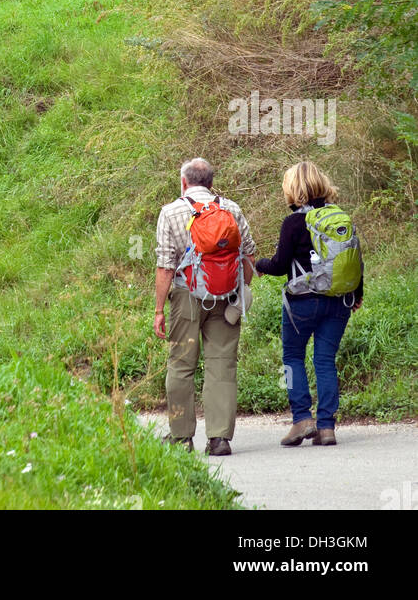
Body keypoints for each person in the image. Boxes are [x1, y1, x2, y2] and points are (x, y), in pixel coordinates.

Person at [255, 160, 362, 447]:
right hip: (340, 301)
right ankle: (327, 428)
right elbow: (353, 258)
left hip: (301, 304)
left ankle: (302, 419)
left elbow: (279, 265)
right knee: (325, 360)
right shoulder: (340, 217)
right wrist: (357, 295)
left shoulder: (293, 223)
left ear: (293, 190)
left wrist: (258, 264)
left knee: (292, 359)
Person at [154, 158, 256, 455]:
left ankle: (181, 437)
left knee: (181, 365)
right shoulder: (231, 209)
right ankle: (219, 438)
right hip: (225, 297)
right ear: (211, 183)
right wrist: (240, 290)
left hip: (186, 297)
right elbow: (248, 254)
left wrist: (159, 309)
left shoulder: (170, 212)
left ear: (184, 182)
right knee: (221, 365)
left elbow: (165, 267)